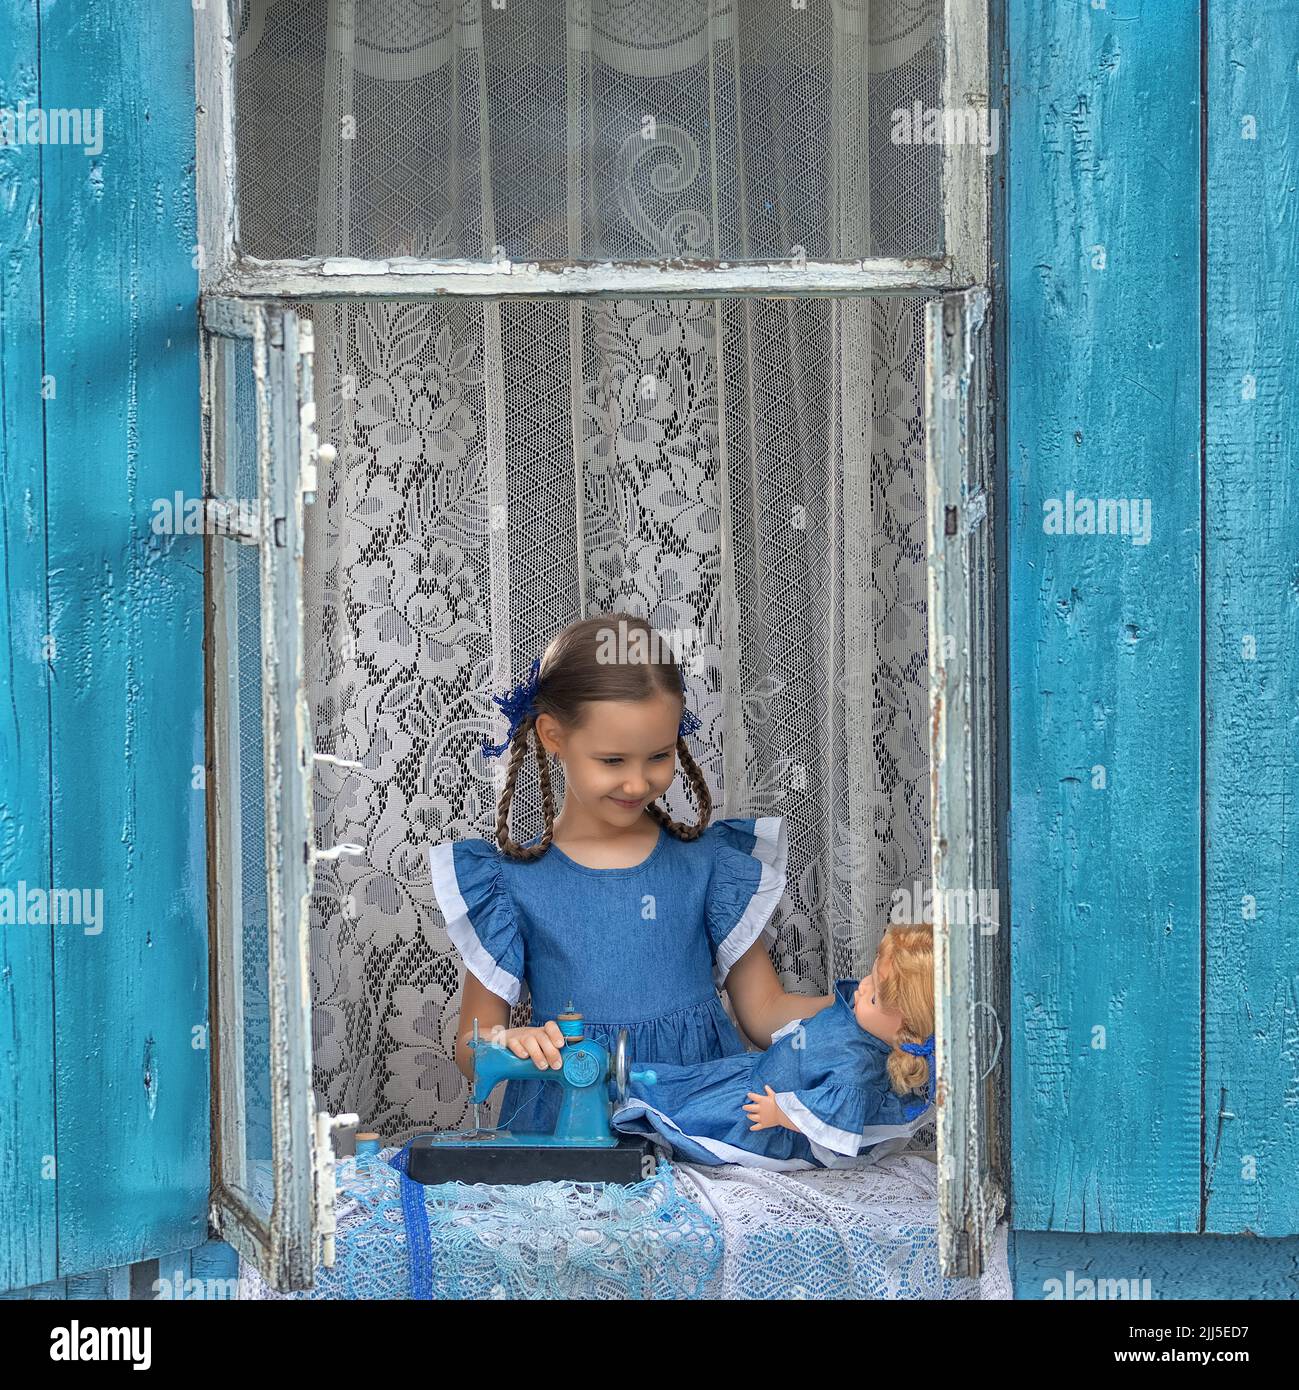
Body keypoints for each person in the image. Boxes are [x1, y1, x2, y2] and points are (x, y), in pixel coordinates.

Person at [428, 611, 832, 1136]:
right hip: (568, 1131)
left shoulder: (707, 865)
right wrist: (511, 1041)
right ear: (553, 736)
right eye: (613, 760)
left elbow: (764, 1011)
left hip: (702, 1119)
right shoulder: (510, 884)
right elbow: (470, 1047)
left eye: (659, 756)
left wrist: (862, 1009)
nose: (638, 782)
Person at [611, 924, 936, 1169]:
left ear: (906, 1032)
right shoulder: (858, 1022)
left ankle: (635, 1112)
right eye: (870, 978)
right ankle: (625, 1085)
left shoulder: (857, 1071)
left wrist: (781, 1112)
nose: (863, 988)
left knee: (696, 1119)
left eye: (876, 997)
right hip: (753, 1074)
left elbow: (824, 1117)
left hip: (766, 1113)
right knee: (689, 1083)